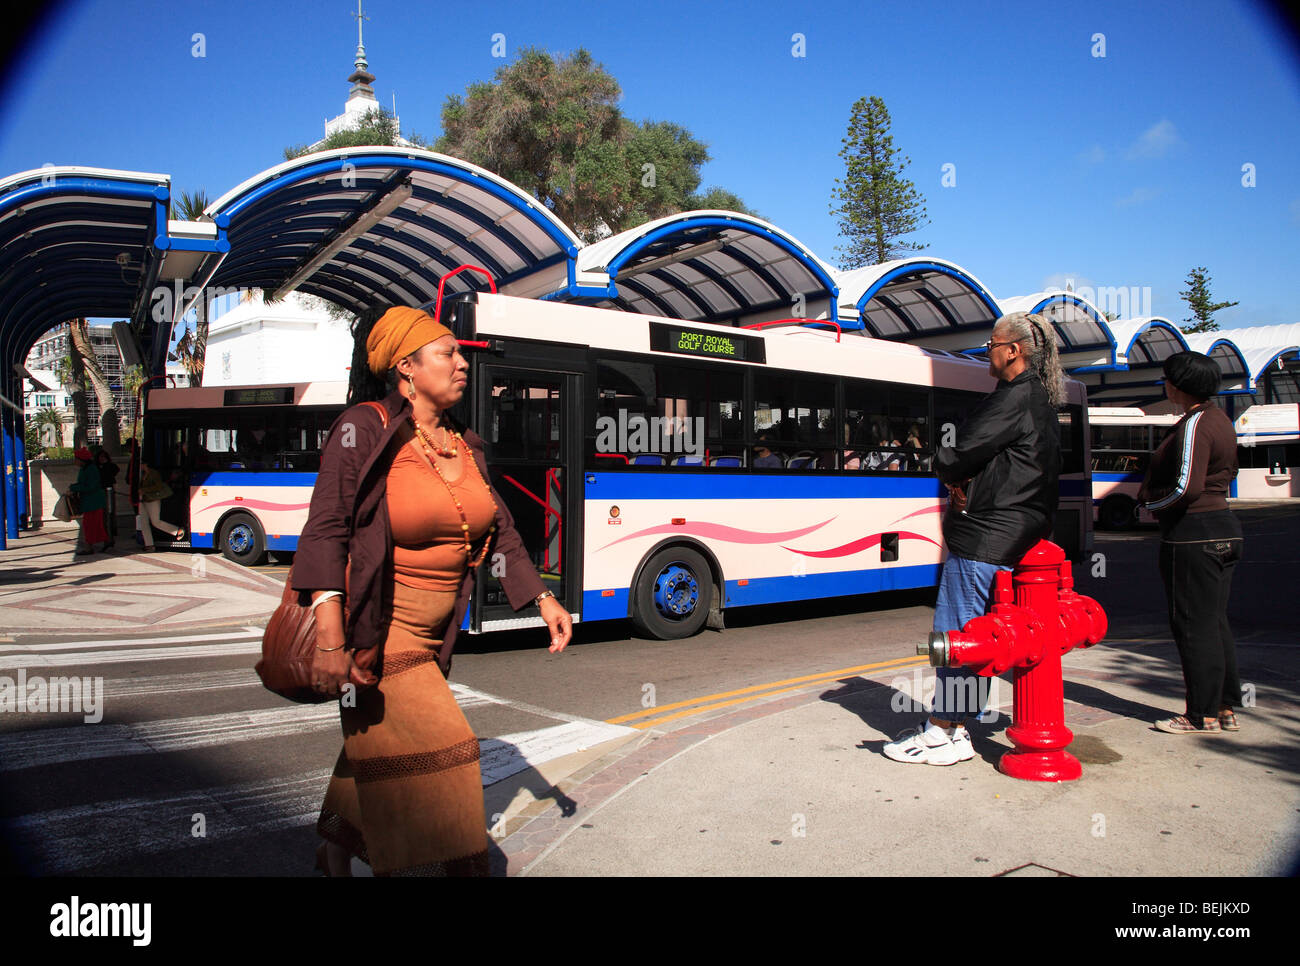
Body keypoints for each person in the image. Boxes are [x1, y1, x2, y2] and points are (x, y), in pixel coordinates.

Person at [292, 306, 573, 877]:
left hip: (435, 635)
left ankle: (334, 853)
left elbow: (497, 529)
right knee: (450, 754)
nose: (461, 363)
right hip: (379, 629)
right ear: (406, 367)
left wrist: (542, 598)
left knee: (375, 744)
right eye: (447, 353)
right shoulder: (363, 428)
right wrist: (328, 636)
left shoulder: (464, 442)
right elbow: (327, 524)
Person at [883, 312, 1065, 765]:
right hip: (1017, 532)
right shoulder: (1040, 397)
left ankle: (944, 730)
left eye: (992, 344)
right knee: (985, 633)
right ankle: (960, 725)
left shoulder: (1012, 397)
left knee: (960, 634)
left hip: (985, 535)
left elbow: (958, 453)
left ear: (1013, 351)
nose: (988, 350)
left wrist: (952, 473)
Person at [1137, 351, 1242, 735]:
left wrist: (1150, 505)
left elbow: (1186, 486)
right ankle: (1225, 705)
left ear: (1178, 385)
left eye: (1167, 378)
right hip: (1224, 528)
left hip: (1194, 533)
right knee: (1214, 622)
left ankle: (1201, 713)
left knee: (1192, 625)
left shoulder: (1196, 423)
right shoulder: (1220, 419)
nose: (1164, 384)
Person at [136, 460, 183, 551]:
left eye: (141, 464)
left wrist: (144, 490)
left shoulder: (153, 473)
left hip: (152, 500)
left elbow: (158, 486)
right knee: (143, 523)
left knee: (156, 522)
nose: (140, 466)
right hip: (143, 500)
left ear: (145, 464)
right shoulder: (143, 474)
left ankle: (177, 530)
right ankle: (149, 545)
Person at [69, 447, 109, 555]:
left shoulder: (90, 469)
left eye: (76, 459)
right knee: (92, 524)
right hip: (90, 502)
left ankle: (90, 546)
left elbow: (91, 486)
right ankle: (102, 542)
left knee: (92, 524)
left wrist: (74, 488)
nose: (75, 461)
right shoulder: (86, 469)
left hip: (93, 502)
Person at [95, 449, 120, 546]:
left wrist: (106, 464)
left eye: (104, 457)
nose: (102, 459)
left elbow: (115, 470)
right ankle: (105, 534)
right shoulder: (96, 467)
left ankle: (110, 534)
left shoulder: (110, 466)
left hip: (108, 490)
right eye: (100, 457)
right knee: (102, 514)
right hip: (100, 491)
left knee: (109, 512)